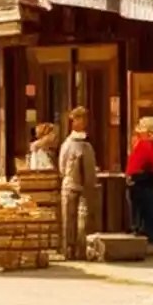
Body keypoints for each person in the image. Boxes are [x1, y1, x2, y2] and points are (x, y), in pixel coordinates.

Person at [58, 107, 98, 261]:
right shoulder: (68, 144)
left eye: (84, 119)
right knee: (69, 219)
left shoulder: (88, 144)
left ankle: (82, 249)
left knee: (85, 220)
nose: (82, 122)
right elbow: (62, 167)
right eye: (79, 119)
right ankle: (69, 249)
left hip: (86, 187)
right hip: (71, 185)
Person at [126, 116, 153, 244]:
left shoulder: (150, 144)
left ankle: (149, 233)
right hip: (145, 179)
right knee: (145, 208)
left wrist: (134, 175)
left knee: (147, 209)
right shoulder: (152, 143)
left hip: (145, 179)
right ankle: (145, 231)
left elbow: (151, 163)